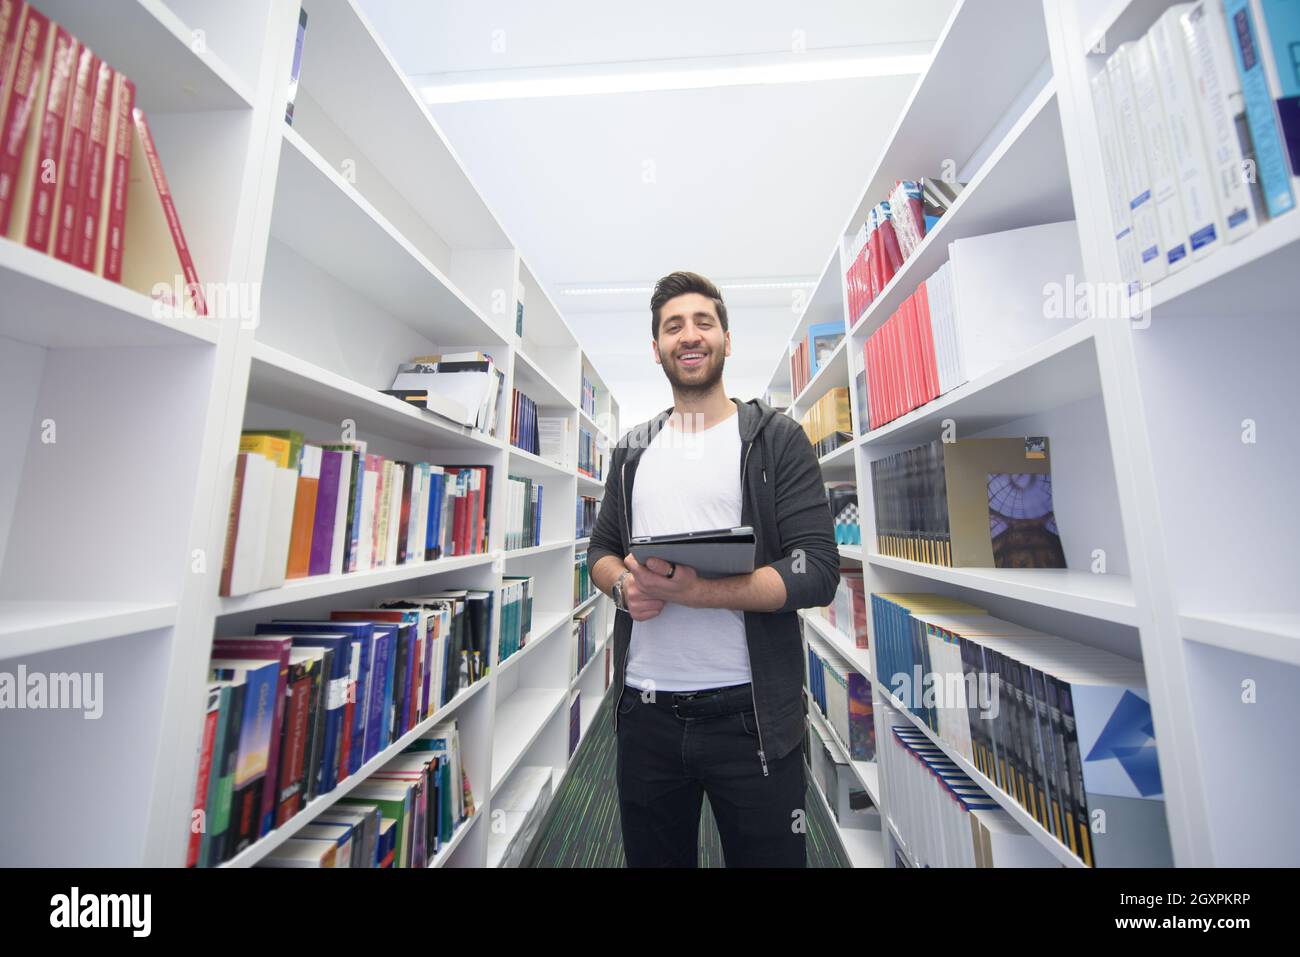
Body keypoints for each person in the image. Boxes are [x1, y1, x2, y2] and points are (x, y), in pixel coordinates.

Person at [587, 270, 839, 867]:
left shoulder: (777, 441)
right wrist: (623, 588)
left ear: (727, 338)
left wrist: (700, 592)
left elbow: (817, 569)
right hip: (645, 717)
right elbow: (598, 551)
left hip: (753, 720)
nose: (689, 335)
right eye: (673, 326)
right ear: (657, 349)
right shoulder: (631, 451)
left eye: (704, 322)